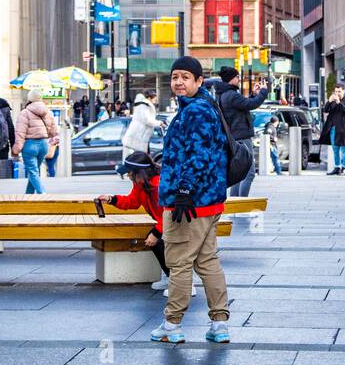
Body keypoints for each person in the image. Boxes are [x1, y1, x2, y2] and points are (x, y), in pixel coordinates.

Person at [150, 56, 230, 345]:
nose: (179, 82)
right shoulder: (203, 107)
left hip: (188, 204)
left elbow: (199, 156)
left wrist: (184, 191)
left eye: (185, 77)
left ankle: (172, 325)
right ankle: (219, 324)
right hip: (206, 201)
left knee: (179, 262)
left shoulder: (195, 111)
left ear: (199, 81)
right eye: (175, 77)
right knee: (208, 261)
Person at [98, 151, 173, 292]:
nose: (127, 175)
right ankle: (170, 277)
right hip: (166, 221)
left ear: (140, 172)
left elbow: (170, 212)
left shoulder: (159, 185)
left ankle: (183, 283)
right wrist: (111, 199)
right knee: (156, 243)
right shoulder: (141, 184)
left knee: (162, 243)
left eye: (129, 172)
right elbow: (132, 201)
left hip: (178, 222)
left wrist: (156, 233)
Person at [205, 68, 268, 196]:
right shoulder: (231, 95)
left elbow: (244, 105)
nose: (239, 79)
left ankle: (235, 203)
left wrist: (254, 95)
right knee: (249, 174)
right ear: (231, 79)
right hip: (242, 137)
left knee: (239, 173)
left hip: (235, 137)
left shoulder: (224, 94)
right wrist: (263, 92)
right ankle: (241, 203)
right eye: (237, 77)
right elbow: (251, 105)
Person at [13, 90, 59, 195]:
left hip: (30, 145)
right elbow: (54, 131)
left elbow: (20, 133)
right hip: (43, 144)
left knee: (33, 171)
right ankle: (28, 195)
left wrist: (16, 149)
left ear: (30, 98)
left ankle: (42, 193)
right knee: (34, 171)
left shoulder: (25, 113)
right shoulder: (48, 112)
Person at [319, 85, 345, 176]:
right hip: (333, 129)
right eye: (336, 91)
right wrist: (329, 101)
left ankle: (344, 167)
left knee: (344, 148)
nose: (337, 93)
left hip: (343, 129)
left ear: (343, 91)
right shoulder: (332, 102)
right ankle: (337, 167)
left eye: (339, 91)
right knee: (335, 149)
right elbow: (325, 110)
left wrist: (338, 102)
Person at [122, 91, 159, 162]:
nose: (155, 102)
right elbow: (147, 120)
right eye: (154, 99)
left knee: (136, 162)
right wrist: (159, 123)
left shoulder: (142, 105)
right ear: (149, 98)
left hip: (138, 139)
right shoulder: (143, 105)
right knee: (135, 162)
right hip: (137, 139)